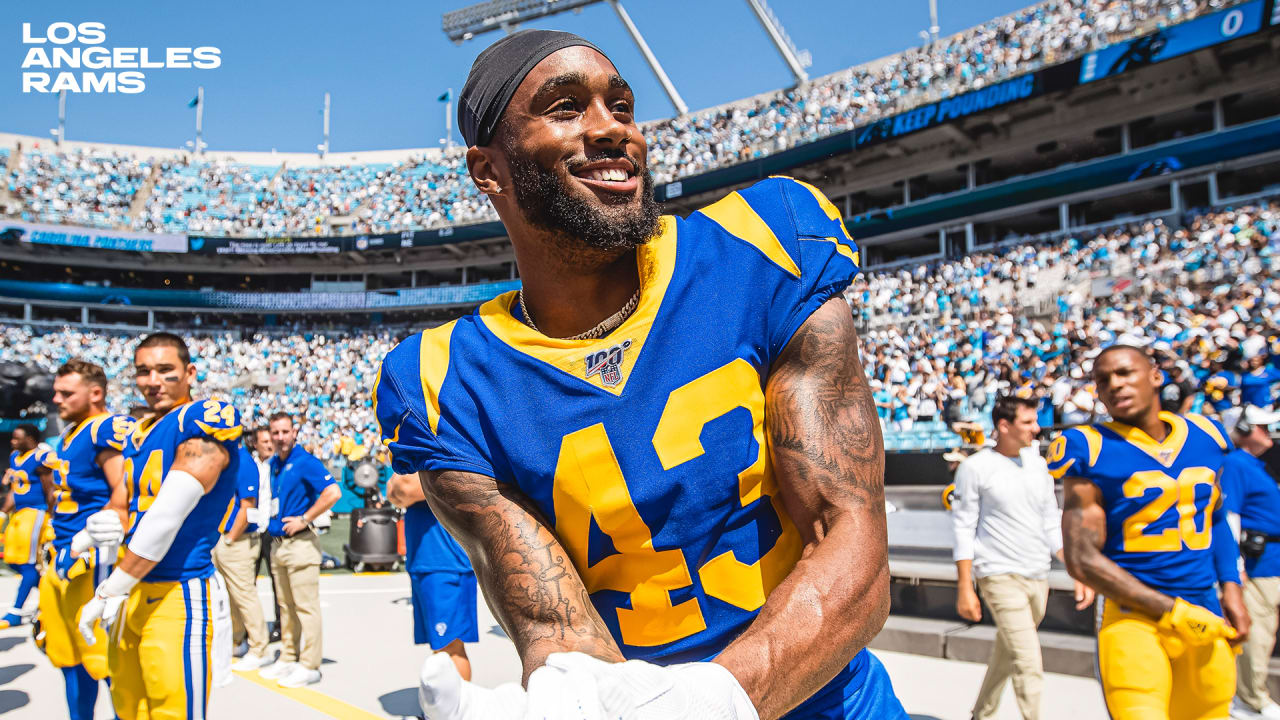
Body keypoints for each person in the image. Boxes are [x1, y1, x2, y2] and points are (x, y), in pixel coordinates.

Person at [376, 29, 903, 720]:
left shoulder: (763, 240)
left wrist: (717, 700)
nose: (611, 129)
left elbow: (852, 533)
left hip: (834, 704)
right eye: (565, 108)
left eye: (620, 106)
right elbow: (553, 626)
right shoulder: (443, 380)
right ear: (488, 169)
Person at [1053, 344, 1250, 720]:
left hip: (1204, 609)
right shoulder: (1089, 447)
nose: (1114, 385)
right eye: (1103, 380)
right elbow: (1081, 559)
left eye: (1125, 373)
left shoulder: (1206, 433)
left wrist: (1232, 590)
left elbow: (1216, 516)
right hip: (1133, 617)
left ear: (1155, 376)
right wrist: (1170, 612)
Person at [76, 332, 241, 720]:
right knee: (127, 708)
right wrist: (103, 525)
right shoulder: (140, 431)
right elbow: (126, 506)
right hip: (133, 591)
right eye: (143, 371)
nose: (153, 381)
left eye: (165, 370)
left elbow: (167, 515)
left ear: (190, 372)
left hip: (178, 594)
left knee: (174, 713)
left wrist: (109, 589)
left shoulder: (201, 416)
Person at [952, 395, 1094, 720]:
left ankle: (981, 715)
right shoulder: (975, 468)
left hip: (1037, 575)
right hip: (998, 575)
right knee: (1029, 663)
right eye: (1028, 422)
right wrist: (965, 586)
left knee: (1008, 653)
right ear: (1004, 426)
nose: (1037, 428)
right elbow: (963, 529)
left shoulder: (1039, 464)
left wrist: (1075, 569)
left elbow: (1050, 521)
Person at [37, 359, 134, 720]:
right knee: (68, 656)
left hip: (91, 560)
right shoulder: (69, 434)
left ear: (95, 393)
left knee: (102, 659)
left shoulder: (104, 429)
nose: (57, 398)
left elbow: (123, 492)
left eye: (66, 392)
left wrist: (91, 541)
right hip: (62, 556)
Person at [258, 412, 340, 687]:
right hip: (278, 544)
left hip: (300, 543)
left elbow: (333, 492)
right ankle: (289, 656)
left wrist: (305, 518)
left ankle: (310, 664)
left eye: (284, 432)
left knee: (305, 607)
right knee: (285, 606)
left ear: (294, 433)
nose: (280, 438)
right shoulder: (275, 465)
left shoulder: (304, 462)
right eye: (275, 433)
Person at [1219, 405, 1280, 720]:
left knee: (1267, 632)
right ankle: (1249, 698)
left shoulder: (1256, 465)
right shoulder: (1235, 464)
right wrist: (1236, 565)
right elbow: (1230, 517)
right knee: (1257, 632)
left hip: (1273, 561)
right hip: (1258, 564)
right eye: (1261, 427)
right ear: (1242, 431)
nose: (1267, 433)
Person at [386, 473, 478, 680]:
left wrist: (401, 486)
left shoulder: (439, 457)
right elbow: (392, 493)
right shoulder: (420, 463)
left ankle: (459, 710)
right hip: (426, 562)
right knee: (439, 646)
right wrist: (401, 487)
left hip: (447, 564)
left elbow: (405, 489)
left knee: (451, 646)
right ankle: (444, 707)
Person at [214, 441, 272, 671]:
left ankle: (260, 648)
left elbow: (248, 506)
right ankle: (237, 640)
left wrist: (229, 538)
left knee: (245, 596)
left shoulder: (243, 461)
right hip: (226, 537)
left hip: (237, 540)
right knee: (230, 595)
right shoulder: (229, 457)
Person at [1, 423, 55, 628]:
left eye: (17, 438)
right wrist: (3, 512)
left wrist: (52, 516)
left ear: (30, 438)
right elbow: (15, 490)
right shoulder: (15, 457)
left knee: (28, 563)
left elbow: (49, 489)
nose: (13, 441)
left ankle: (15, 611)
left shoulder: (41, 457)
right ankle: (49, 595)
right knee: (12, 561)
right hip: (19, 514)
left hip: (36, 513)